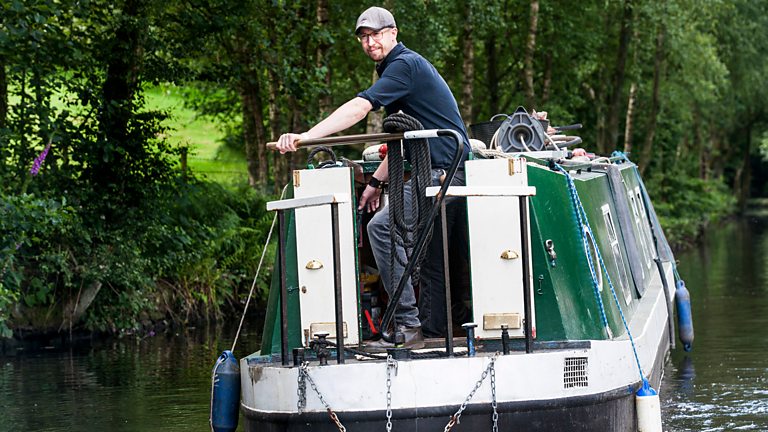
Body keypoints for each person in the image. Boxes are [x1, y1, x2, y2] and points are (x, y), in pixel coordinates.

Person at [275, 6, 470, 350]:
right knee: (429, 254)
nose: (370, 42)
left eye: (376, 34)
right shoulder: (396, 70)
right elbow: (401, 140)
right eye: (364, 37)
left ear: (393, 33)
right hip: (444, 171)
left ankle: (408, 326)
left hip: (445, 174)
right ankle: (431, 327)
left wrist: (307, 136)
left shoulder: (403, 66)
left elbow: (360, 107)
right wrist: (376, 184)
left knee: (381, 228)